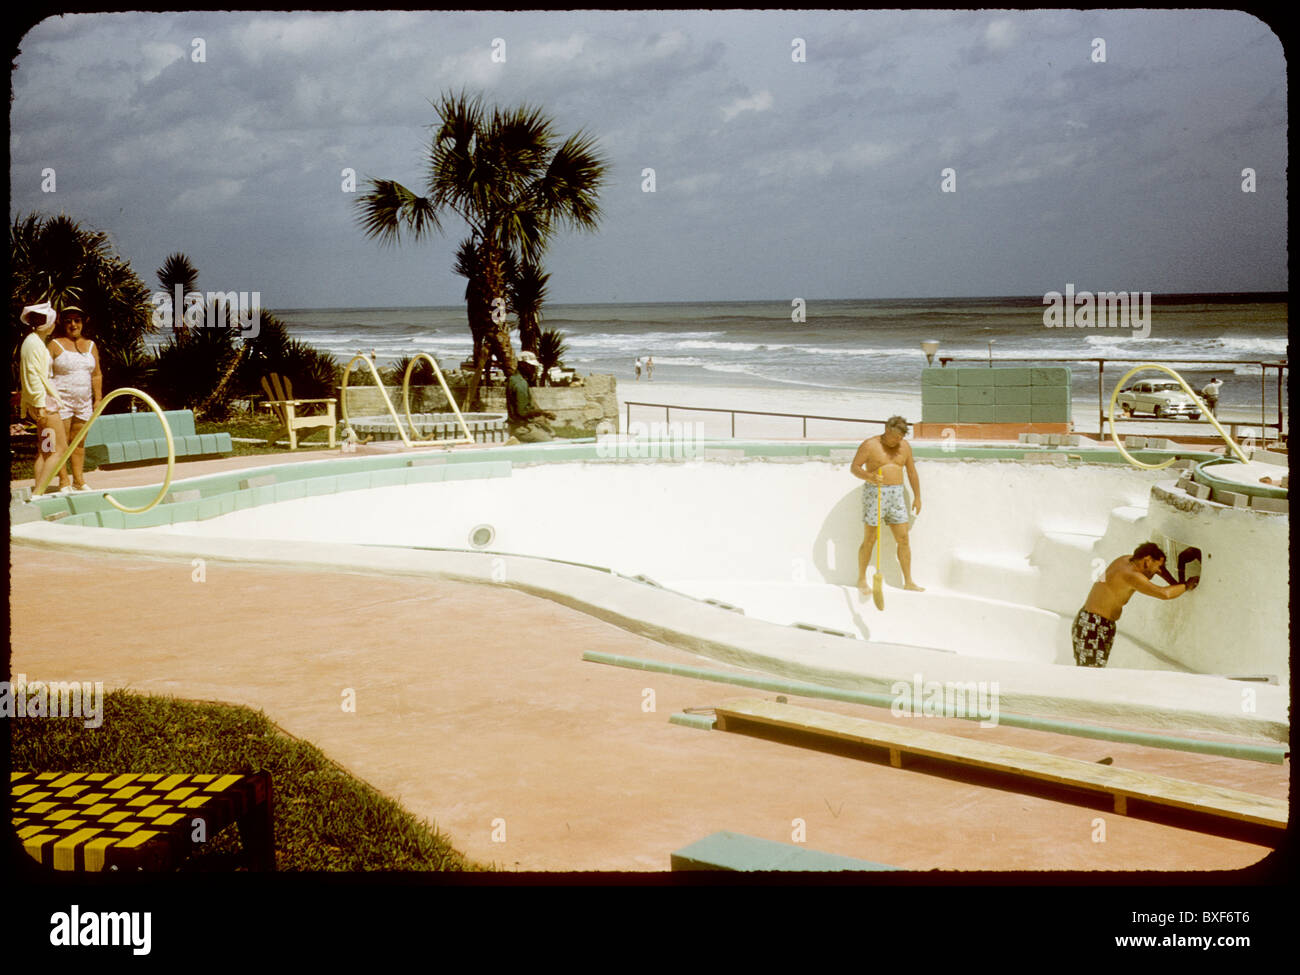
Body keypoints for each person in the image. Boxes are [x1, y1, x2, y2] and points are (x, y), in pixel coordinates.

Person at [1072, 542, 1197, 668]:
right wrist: (1186, 585)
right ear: (1147, 560)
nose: (1158, 571)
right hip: (1093, 627)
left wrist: (1173, 583)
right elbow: (1164, 594)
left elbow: (1159, 571)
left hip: (1094, 622)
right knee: (1092, 673)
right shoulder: (1131, 576)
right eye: (1157, 566)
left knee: (1095, 671)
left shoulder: (1125, 560)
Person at [851, 415, 923, 594]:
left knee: (904, 539)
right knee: (870, 539)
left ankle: (908, 581)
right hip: (875, 494)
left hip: (896, 495)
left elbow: (912, 472)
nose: (898, 441)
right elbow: (855, 467)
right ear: (887, 430)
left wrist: (917, 497)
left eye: (901, 438)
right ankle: (861, 579)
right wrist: (870, 477)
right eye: (895, 437)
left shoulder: (904, 447)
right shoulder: (870, 445)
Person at [49, 304, 102, 491]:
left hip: (83, 403)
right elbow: (44, 374)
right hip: (60, 401)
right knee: (61, 443)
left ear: (83, 322)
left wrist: (98, 399)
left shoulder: (90, 346)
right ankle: (64, 481)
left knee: (79, 443)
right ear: (62, 323)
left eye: (77, 320)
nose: (73, 324)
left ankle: (79, 480)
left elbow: (96, 374)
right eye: (68, 321)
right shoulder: (54, 345)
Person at [17, 301, 69, 494]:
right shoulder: (34, 344)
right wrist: (40, 405)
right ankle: (39, 493)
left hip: (42, 403)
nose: (55, 325)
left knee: (46, 450)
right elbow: (32, 375)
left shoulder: (33, 342)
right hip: (46, 404)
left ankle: (39, 491)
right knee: (58, 449)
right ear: (47, 323)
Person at [505, 351, 557, 443]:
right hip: (522, 429)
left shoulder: (513, 379)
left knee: (550, 432)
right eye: (531, 367)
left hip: (515, 426)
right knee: (549, 442)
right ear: (523, 365)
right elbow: (523, 412)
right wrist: (543, 412)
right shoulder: (520, 384)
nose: (533, 370)